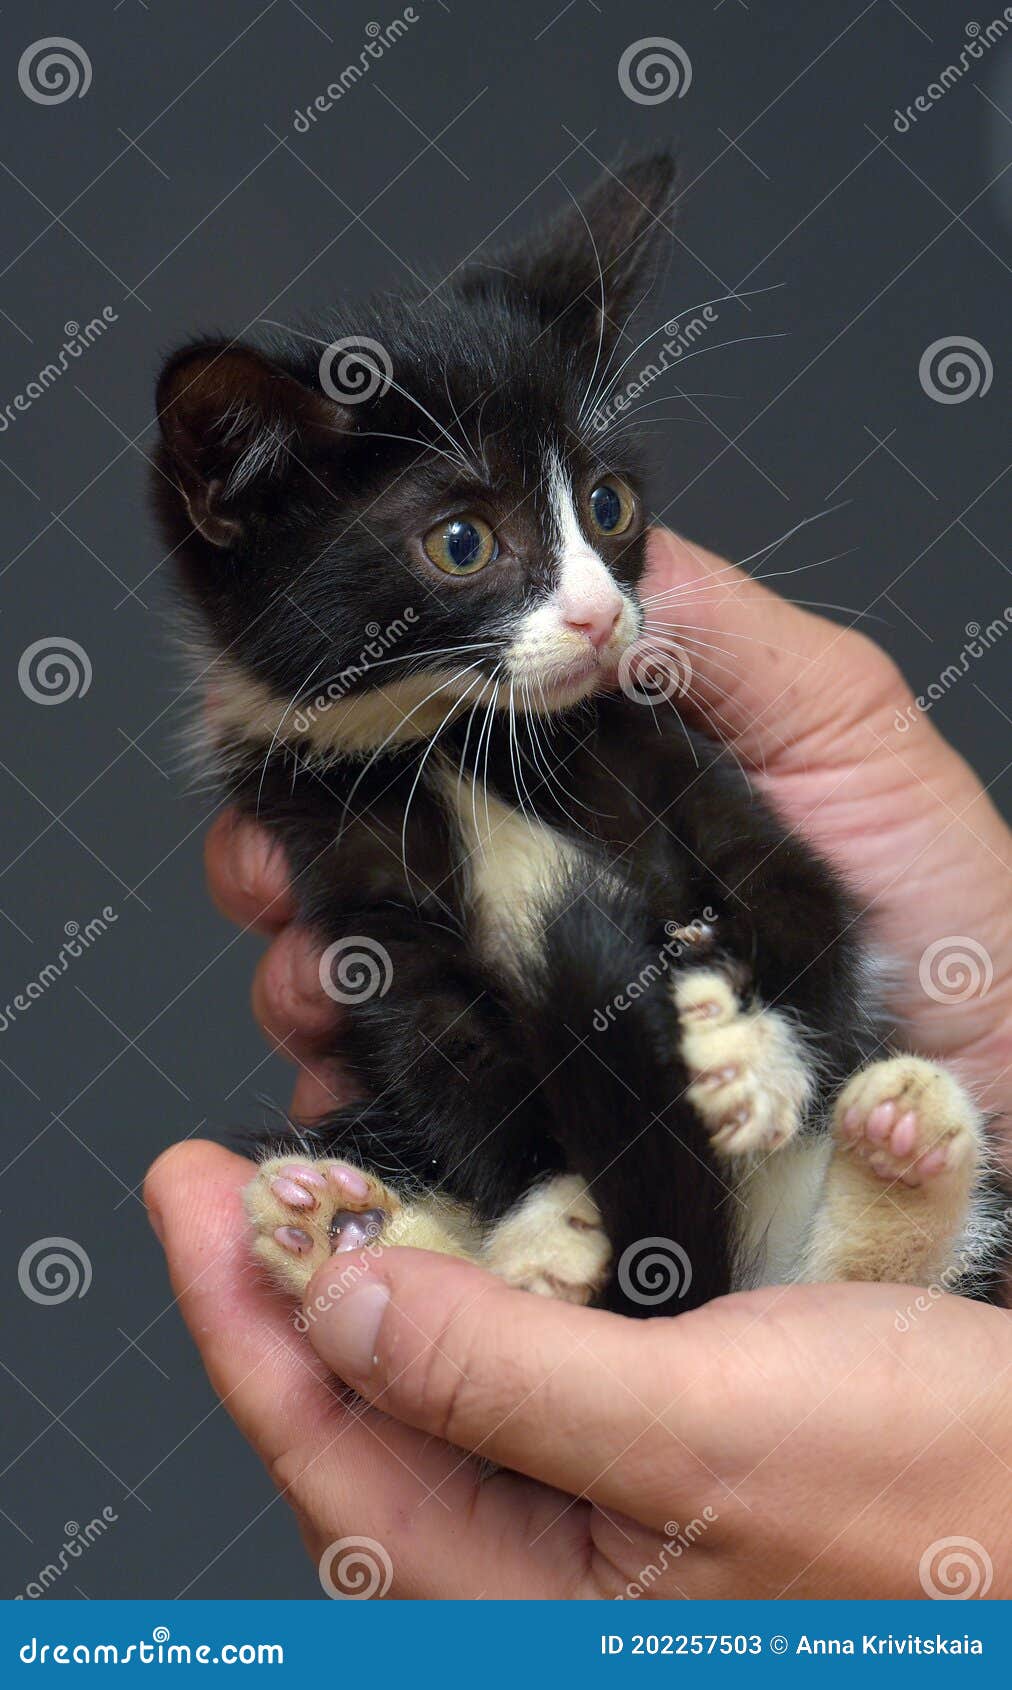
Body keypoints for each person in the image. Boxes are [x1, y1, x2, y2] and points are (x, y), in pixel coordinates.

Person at [145, 528, 1012, 1599]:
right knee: (405, 1084)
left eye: (601, 508)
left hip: (753, 1177)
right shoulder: (364, 760)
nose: (595, 595)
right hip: (633, 1195)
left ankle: (872, 1243)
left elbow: (790, 922)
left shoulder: (613, 722)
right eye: (464, 542)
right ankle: (456, 1244)